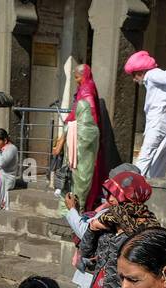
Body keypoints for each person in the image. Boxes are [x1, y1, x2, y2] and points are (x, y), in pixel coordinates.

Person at [123, 51, 166, 180]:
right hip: (157, 120)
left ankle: (133, 184)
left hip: (159, 119)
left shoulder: (151, 74)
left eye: (134, 75)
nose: (134, 79)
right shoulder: (151, 77)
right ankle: (145, 181)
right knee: (156, 156)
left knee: (146, 154)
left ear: (140, 71)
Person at [58, 63, 104, 213]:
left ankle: (78, 208)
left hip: (83, 140)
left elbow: (86, 115)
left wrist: (67, 130)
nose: (76, 81)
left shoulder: (86, 90)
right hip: (79, 136)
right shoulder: (87, 88)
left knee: (81, 177)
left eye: (77, 77)